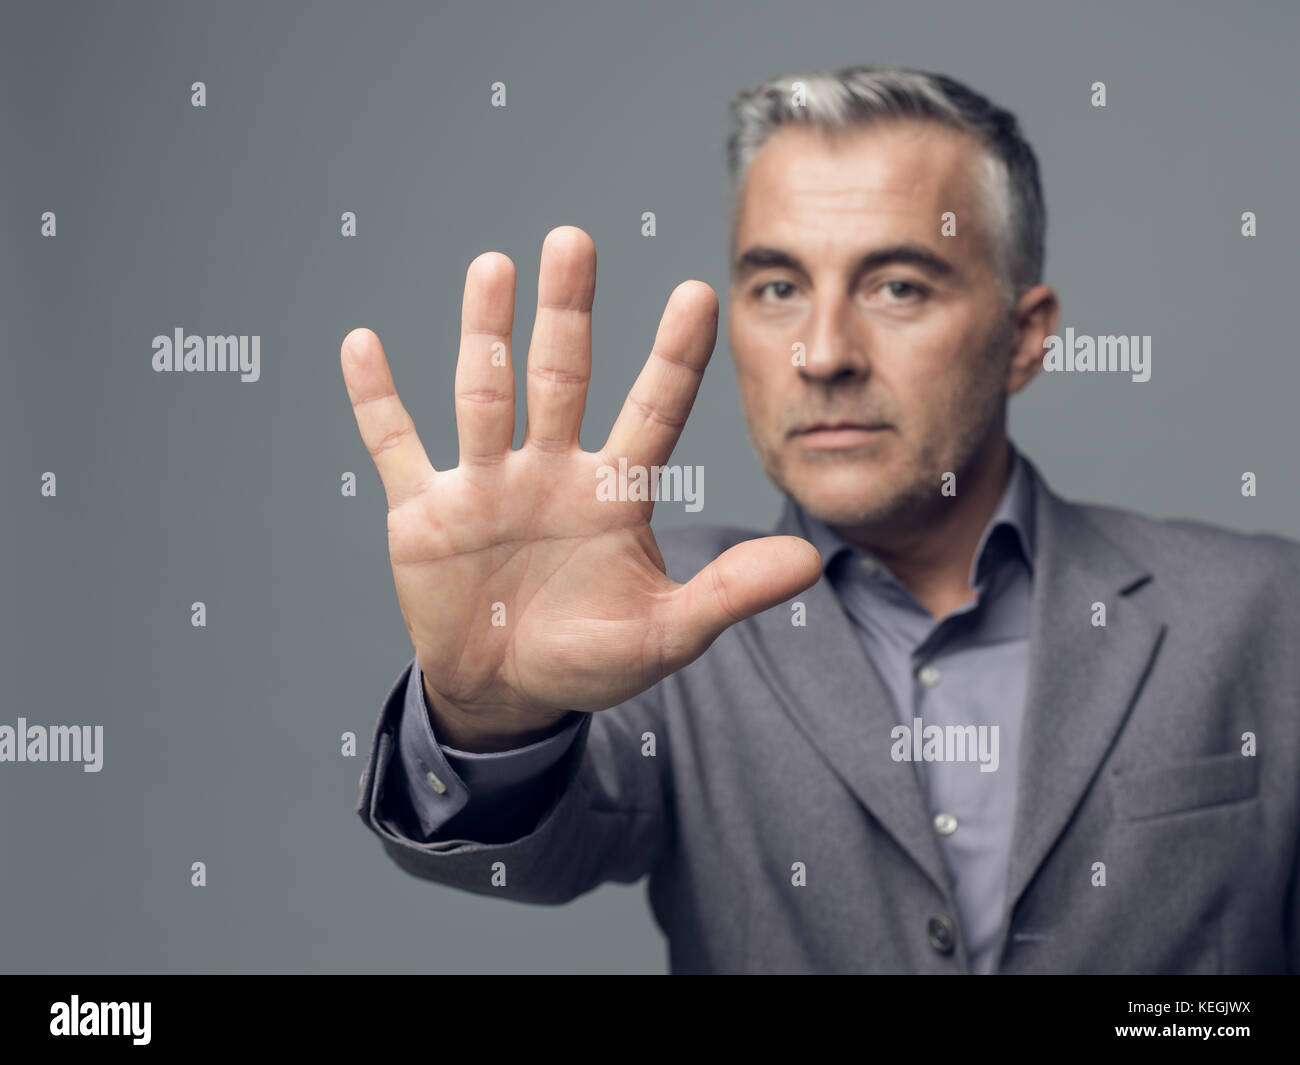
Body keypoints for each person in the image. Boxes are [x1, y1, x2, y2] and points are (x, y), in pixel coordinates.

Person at [340, 65, 1300, 974]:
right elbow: (514, 853)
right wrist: (487, 711)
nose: (824, 352)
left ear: (1024, 334)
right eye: (779, 288)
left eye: (897, 286)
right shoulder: (654, 613)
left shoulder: (1268, 614)